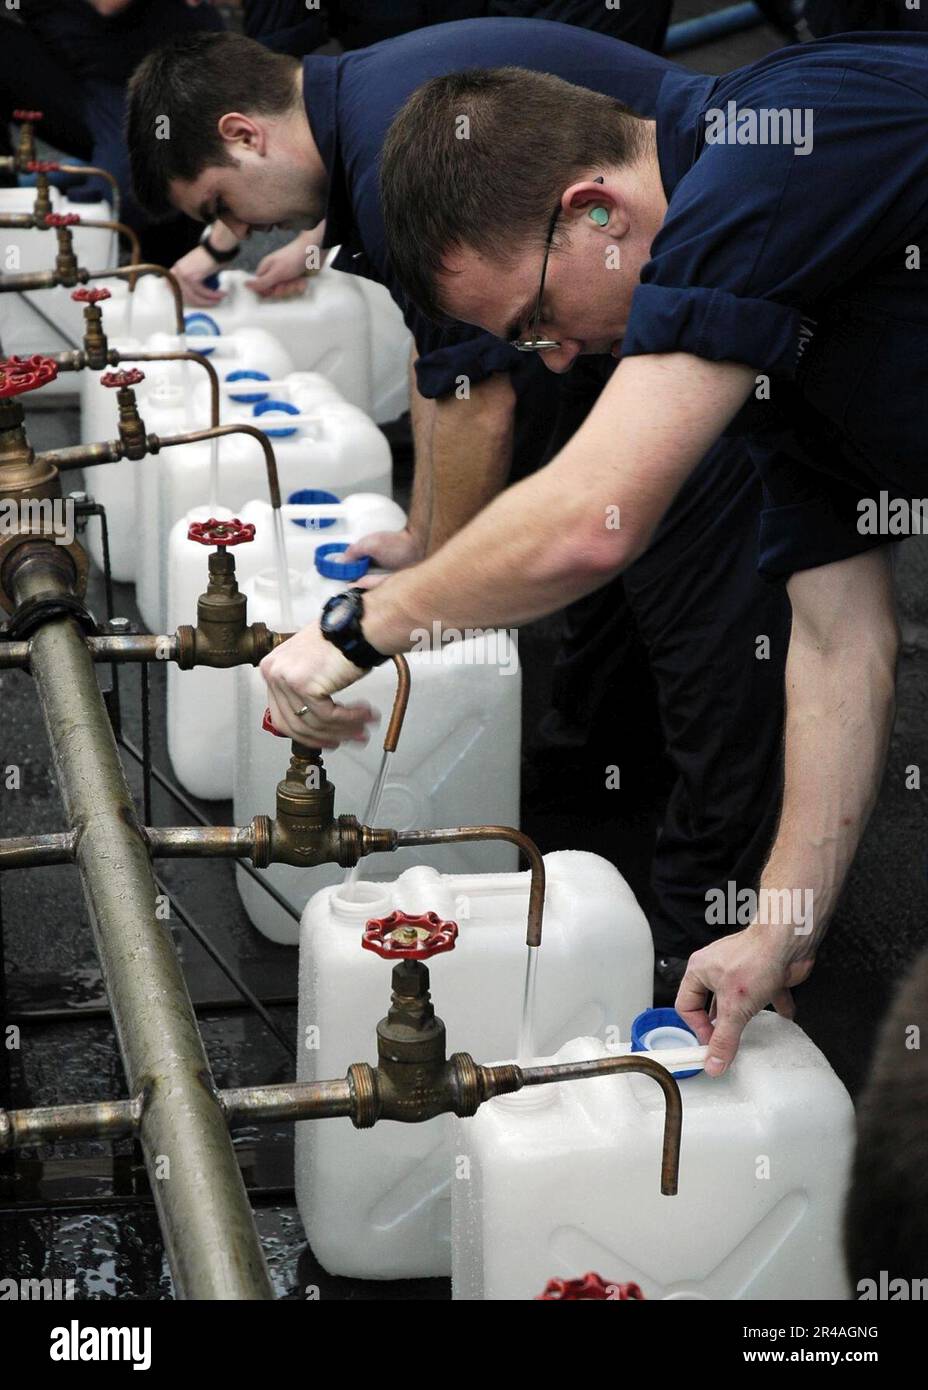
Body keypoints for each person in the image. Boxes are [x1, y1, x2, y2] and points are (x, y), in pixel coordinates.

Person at [261, 32, 927, 1071]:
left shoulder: (772, 155)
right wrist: (781, 920)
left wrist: (353, 628)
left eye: (533, 320)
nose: (556, 359)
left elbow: (589, 522)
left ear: (593, 210)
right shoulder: (766, 348)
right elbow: (840, 637)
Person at [127, 23, 789, 999]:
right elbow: (439, 359)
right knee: (623, 567)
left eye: (221, 203)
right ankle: (604, 769)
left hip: (719, 297)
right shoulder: (369, 112)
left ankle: (705, 930)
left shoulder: (399, 137)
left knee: (703, 614)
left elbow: (482, 397)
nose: (249, 229)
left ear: (244, 133)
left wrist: (430, 602)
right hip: (654, 296)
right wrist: (427, 541)